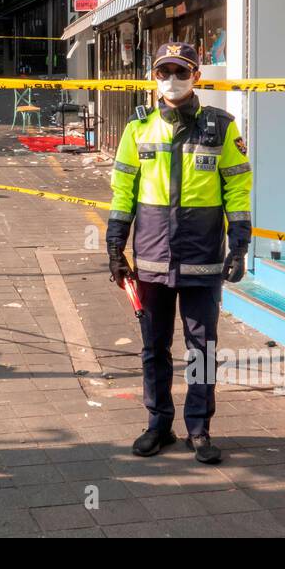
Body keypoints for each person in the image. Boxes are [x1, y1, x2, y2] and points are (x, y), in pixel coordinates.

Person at [106, 42, 252, 464]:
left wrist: (239, 244)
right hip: (151, 257)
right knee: (153, 347)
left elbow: (237, 188)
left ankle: (199, 429)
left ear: (197, 77)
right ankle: (158, 424)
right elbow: (122, 192)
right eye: (164, 71)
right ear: (154, 78)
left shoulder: (222, 127)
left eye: (180, 71)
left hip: (202, 255)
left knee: (201, 347)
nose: (172, 79)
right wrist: (115, 246)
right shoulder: (138, 129)